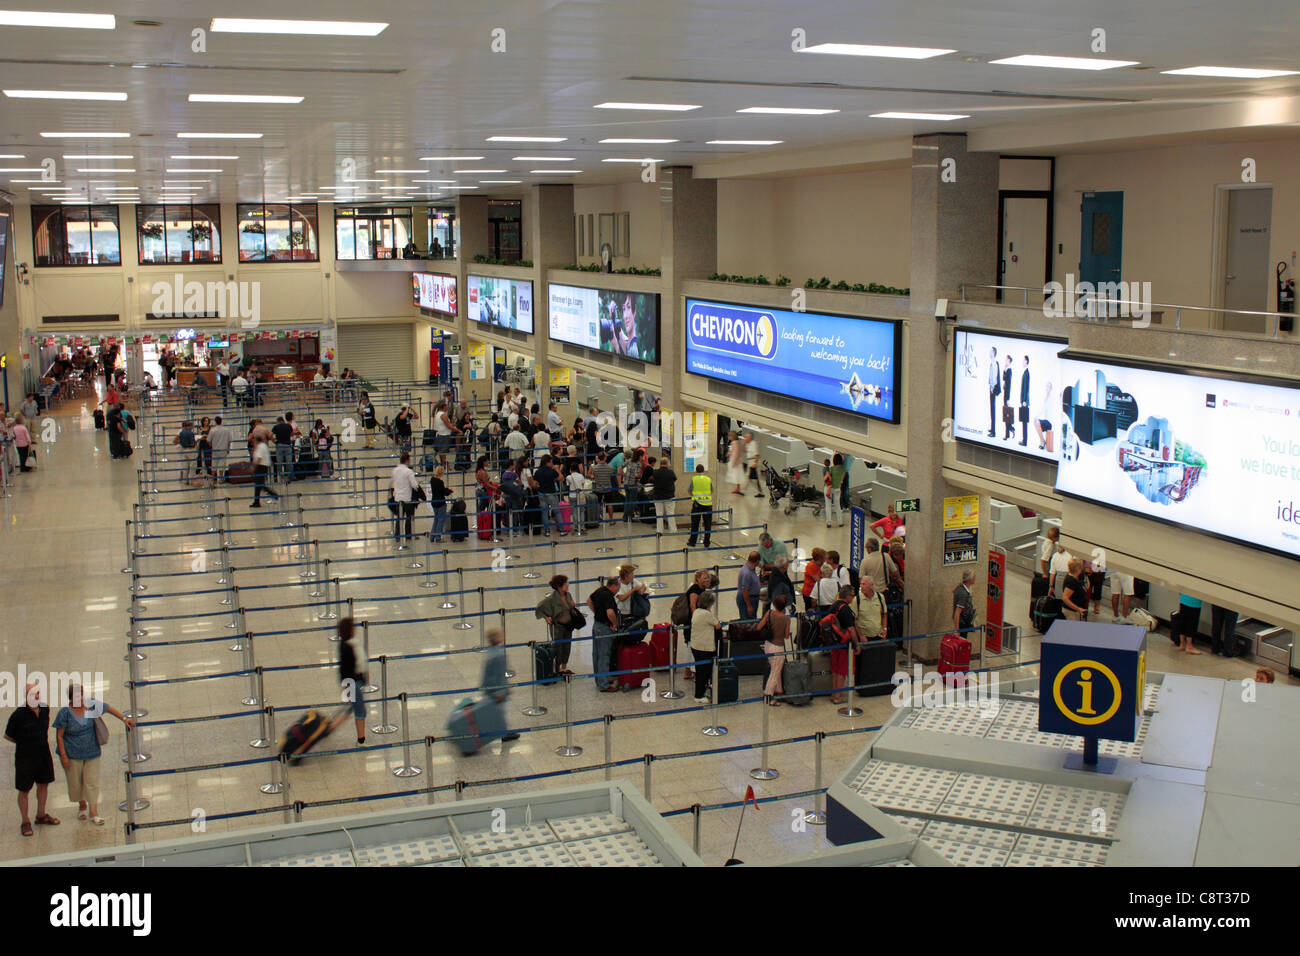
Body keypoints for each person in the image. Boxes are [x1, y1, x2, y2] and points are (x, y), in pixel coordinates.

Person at [53, 683, 133, 827]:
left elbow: (108, 708)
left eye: (81, 694)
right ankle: (82, 805)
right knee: (76, 782)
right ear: (70, 699)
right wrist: (64, 756)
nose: (80, 698)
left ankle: (93, 812)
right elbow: (59, 736)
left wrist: (124, 719)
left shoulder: (90, 705)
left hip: (92, 751)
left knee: (92, 781)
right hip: (72, 753)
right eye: (76, 696)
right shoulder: (64, 713)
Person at [5, 684, 59, 837]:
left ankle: (41, 815)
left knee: (43, 784)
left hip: (43, 754)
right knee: (24, 789)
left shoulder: (44, 709)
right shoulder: (18, 715)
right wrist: (25, 742)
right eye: (32, 694)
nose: (35, 696)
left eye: (37, 693)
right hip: (25, 758)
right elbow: (8, 736)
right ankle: (25, 821)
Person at [329, 618, 369, 744]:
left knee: (350, 708)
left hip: (348, 682)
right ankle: (361, 740)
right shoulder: (350, 646)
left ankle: (330, 728)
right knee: (359, 710)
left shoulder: (344, 644)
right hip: (352, 682)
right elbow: (358, 664)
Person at [479, 627, 521, 742]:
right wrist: (500, 692)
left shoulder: (490, 652)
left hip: (488, 687)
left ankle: (504, 731)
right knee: (502, 711)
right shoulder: (499, 654)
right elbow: (499, 675)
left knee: (495, 711)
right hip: (497, 690)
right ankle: (504, 733)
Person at [536, 574, 580, 676]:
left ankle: (564, 668)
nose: (567, 585)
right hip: (557, 627)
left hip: (568, 626)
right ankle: (557, 667)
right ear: (559, 586)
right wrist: (546, 618)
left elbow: (571, 605)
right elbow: (540, 607)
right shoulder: (552, 599)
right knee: (558, 648)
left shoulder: (568, 595)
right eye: (565, 584)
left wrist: (573, 605)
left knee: (567, 646)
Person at [826, 585, 859, 705]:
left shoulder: (834, 606)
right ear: (848, 596)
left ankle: (834, 693)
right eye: (852, 595)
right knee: (842, 671)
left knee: (835, 669)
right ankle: (838, 696)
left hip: (833, 642)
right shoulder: (846, 609)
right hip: (844, 644)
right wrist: (856, 644)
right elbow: (851, 629)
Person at [588, 577, 622, 693]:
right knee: (604, 655)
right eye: (618, 588)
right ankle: (604, 684)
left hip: (596, 625)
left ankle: (600, 680)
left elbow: (589, 600)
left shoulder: (600, 590)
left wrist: (597, 613)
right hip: (604, 628)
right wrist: (614, 623)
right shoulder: (608, 596)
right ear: (614, 586)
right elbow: (610, 612)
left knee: (596, 654)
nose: (618, 591)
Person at [689, 589, 723, 703]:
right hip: (705, 648)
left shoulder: (696, 612)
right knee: (705, 672)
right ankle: (699, 696)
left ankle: (700, 693)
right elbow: (717, 625)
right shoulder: (707, 614)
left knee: (700, 672)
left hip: (695, 646)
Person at [758, 594, 790, 705]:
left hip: (768, 644)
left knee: (775, 669)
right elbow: (786, 636)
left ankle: (779, 692)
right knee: (775, 673)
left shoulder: (769, 613)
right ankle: (768, 696)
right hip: (778, 647)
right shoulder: (786, 618)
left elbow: (759, 627)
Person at [391, 451, 422, 547]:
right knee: (409, 517)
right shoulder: (409, 471)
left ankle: (397, 535)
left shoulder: (395, 470)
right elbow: (414, 485)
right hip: (407, 498)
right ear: (407, 461)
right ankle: (409, 535)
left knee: (399, 518)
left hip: (398, 498)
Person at [533, 454, 565, 536]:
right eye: (551, 462)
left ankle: (547, 531)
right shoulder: (552, 471)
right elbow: (561, 478)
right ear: (548, 462)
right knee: (557, 512)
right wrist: (557, 469)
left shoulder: (537, 471)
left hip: (541, 494)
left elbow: (535, 484)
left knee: (544, 513)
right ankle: (562, 530)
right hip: (551, 493)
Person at [686, 464, 713, 548]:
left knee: (695, 524)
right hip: (708, 504)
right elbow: (712, 490)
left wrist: (694, 497)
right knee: (707, 524)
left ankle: (692, 542)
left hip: (697, 504)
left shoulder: (694, 479)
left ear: (696, 471)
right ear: (703, 471)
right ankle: (707, 542)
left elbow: (689, 491)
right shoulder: (708, 479)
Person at [250, 434, 279, 507]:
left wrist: (254, 466)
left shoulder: (260, 447)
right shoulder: (263, 446)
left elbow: (259, 458)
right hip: (263, 467)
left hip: (260, 467)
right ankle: (257, 501)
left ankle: (273, 494)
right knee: (258, 485)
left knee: (259, 484)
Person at [426, 465, 450, 542]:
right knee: (441, 520)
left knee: (436, 520)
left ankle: (432, 537)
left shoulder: (432, 480)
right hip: (441, 503)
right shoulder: (440, 482)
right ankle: (438, 537)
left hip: (434, 502)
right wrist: (449, 491)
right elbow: (443, 492)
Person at [737, 551, 762, 621]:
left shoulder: (751, 569)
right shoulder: (747, 573)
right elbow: (745, 590)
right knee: (748, 622)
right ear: (757, 561)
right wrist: (749, 606)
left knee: (752, 620)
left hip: (752, 598)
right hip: (748, 600)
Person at [801, 547, 827, 613]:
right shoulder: (811, 566)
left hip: (817, 593)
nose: (824, 561)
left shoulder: (820, 566)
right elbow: (818, 580)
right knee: (811, 611)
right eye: (823, 559)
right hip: (809, 593)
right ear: (819, 559)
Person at [271, 415, 295, 484]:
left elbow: (270, 435)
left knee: (279, 462)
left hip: (279, 445)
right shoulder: (288, 426)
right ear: (283, 420)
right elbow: (292, 434)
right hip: (287, 445)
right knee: (289, 462)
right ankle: (290, 476)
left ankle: (279, 476)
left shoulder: (276, 427)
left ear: (278, 421)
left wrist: (274, 441)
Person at [1033, 381, 1056, 452]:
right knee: (1035, 421)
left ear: (1051, 388)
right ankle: (1042, 440)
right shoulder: (1046, 397)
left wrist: (1037, 416)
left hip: (1050, 422)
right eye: (1046, 386)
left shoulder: (1051, 398)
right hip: (1046, 420)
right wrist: (1036, 416)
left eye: (1049, 386)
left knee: (1037, 422)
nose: (1047, 388)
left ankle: (1042, 441)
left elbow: (1044, 408)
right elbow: (1042, 409)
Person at [952, 570, 977, 634]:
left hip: (964, 621)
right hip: (962, 623)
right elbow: (957, 613)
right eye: (974, 577)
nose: (975, 578)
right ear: (970, 579)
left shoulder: (961, 588)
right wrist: (957, 630)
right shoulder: (963, 593)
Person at [743, 431, 763, 496]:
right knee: (748, 476)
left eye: (746, 437)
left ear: (750, 438)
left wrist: (755, 463)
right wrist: (743, 444)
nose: (745, 438)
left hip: (754, 462)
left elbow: (757, 455)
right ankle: (744, 490)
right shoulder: (748, 444)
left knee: (756, 478)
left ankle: (760, 492)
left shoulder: (753, 444)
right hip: (750, 462)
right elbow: (745, 451)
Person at [986, 344, 1000, 437]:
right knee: (991, 409)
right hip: (991, 388)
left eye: (991, 351)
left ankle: (993, 432)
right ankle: (992, 428)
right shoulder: (992, 362)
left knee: (993, 410)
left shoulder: (994, 363)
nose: (989, 352)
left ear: (993, 353)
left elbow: (994, 379)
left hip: (993, 389)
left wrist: (992, 389)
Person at [1018, 354, 1031, 446]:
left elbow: (1027, 388)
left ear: (1026, 361)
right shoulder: (1025, 373)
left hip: (1025, 401)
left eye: (1023, 360)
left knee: (1024, 421)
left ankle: (1025, 441)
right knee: (1023, 421)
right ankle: (1024, 440)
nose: (1022, 362)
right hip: (1024, 400)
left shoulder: (1027, 373)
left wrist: (1025, 400)